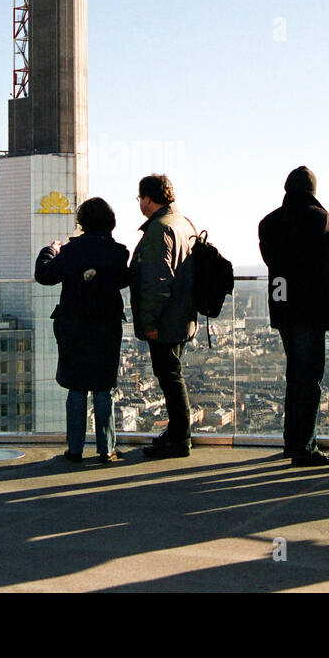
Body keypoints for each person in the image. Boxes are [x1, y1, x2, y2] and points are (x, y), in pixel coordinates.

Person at [34, 197, 132, 464]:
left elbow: (44, 275)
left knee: (76, 387)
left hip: (74, 326)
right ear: (110, 223)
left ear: (82, 223)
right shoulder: (119, 253)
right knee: (103, 387)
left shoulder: (70, 251)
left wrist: (51, 250)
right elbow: (125, 279)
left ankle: (74, 449)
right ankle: (107, 449)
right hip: (106, 326)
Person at [258, 166, 329, 467]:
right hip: (310, 306)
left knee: (294, 374)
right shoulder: (320, 219)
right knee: (310, 377)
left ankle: (292, 441)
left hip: (281, 303)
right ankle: (304, 446)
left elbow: (269, 259)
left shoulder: (268, 222)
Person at [129, 174, 198, 459]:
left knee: (170, 376)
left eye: (139, 199)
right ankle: (176, 432)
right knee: (172, 374)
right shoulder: (184, 223)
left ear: (147, 198)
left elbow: (157, 282)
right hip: (183, 315)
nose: (139, 204)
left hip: (166, 320)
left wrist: (150, 323)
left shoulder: (159, 229)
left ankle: (180, 438)